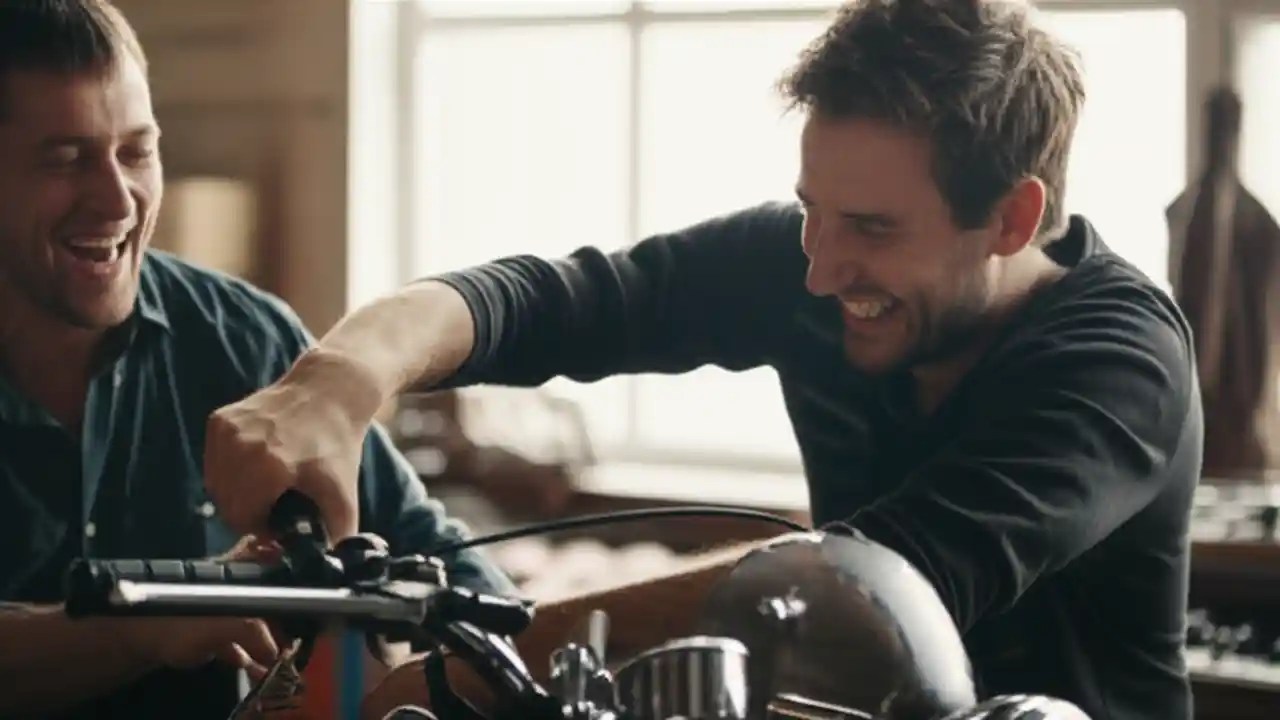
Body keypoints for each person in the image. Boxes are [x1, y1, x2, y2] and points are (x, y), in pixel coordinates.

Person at [207, 1, 1203, 719]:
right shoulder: (818, 258)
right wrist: (338, 380)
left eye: (867, 227)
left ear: (1010, 217)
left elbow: (865, 582)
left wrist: (467, 661)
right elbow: (567, 302)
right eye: (810, 210)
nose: (817, 270)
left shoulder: (1118, 363)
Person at [0, 2, 512, 718]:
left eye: (136, 152)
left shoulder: (248, 337)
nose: (117, 199)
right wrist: (144, 623)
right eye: (66, 158)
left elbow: (454, 571)